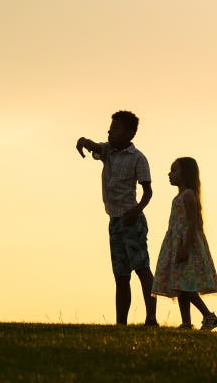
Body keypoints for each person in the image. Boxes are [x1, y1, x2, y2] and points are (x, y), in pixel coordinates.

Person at [76, 110, 157, 326]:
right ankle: (121, 323)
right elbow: (95, 146)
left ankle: (151, 318)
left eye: (116, 128)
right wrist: (84, 141)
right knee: (121, 276)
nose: (110, 131)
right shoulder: (108, 152)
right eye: (110, 128)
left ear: (130, 133)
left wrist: (136, 210)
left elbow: (148, 192)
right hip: (115, 221)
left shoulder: (138, 158)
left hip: (132, 220)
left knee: (141, 268)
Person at [152, 157, 217, 330]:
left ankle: (208, 316)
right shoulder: (178, 197)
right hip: (176, 244)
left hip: (186, 245)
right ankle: (186, 322)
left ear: (185, 174)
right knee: (179, 284)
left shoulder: (188, 195)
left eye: (174, 170)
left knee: (185, 286)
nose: (169, 174)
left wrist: (185, 248)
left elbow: (192, 224)